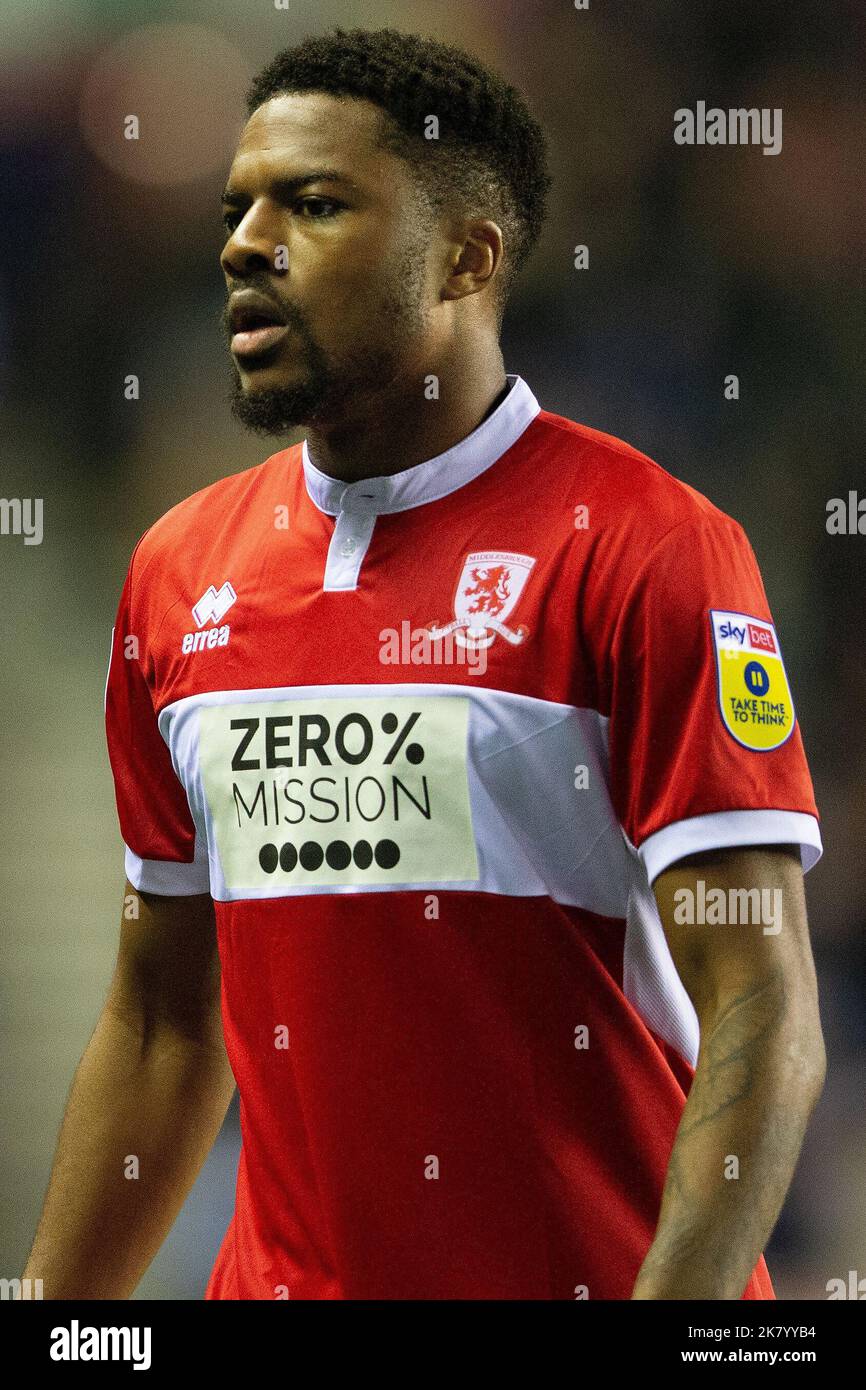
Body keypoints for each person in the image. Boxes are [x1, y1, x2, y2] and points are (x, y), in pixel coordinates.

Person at [23, 27, 824, 1301]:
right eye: (238, 207)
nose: (243, 241)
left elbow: (762, 1011)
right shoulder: (179, 572)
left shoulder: (648, 550)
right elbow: (165, 1027)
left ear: (466, 255)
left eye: (316, 203)